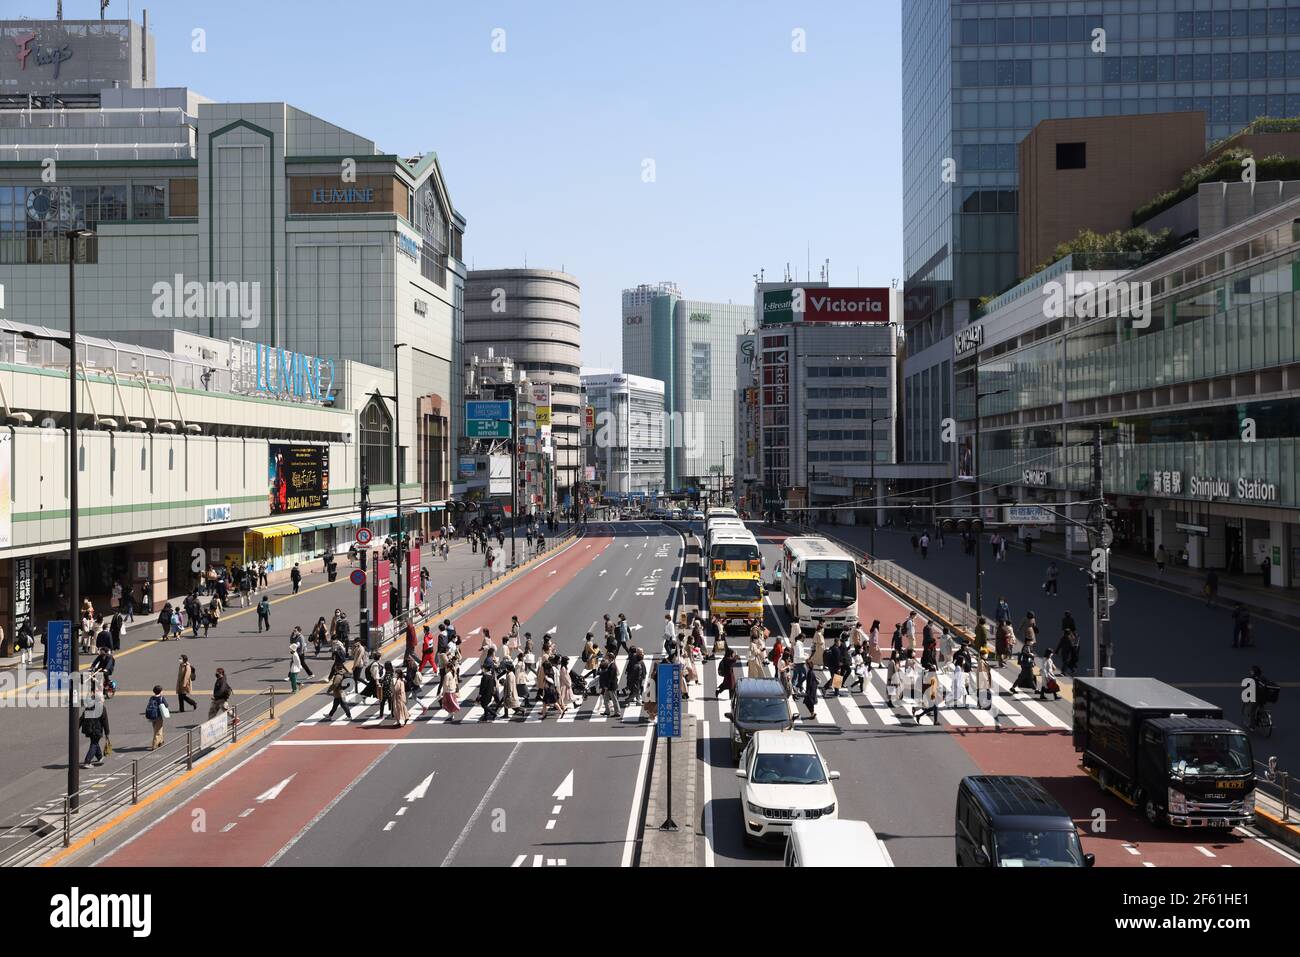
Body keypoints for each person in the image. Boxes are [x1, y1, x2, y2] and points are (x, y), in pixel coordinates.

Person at [79, 696, 107, 767]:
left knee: (94, 742)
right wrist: (107, 732)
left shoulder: (89, 707)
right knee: (94, 744)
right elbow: (105, 721)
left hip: (89, 730)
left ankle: (99, 757)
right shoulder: (102, 708)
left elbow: (82, 718)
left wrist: (77, 727)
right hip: (97, 729)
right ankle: (87, 762)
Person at [145, 685, 169, 750]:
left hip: (152, 716)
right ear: (160, 691)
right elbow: (166, 705)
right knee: (158, 731)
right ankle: (154, 745)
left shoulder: (152, 698)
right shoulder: (161, 698)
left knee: (157, 729)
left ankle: (161, 741)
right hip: (159, 716)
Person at [599, 653, 622, 718]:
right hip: (608, 686)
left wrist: (607, 686)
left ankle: (617, 712)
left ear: (611, 658)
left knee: (614, 699)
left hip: (611, 686)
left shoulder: (612, 666)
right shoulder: (610, 665)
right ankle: (607, 711)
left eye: (607, 657)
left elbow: (610, 678)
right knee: (605, 698)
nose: (606, 659)